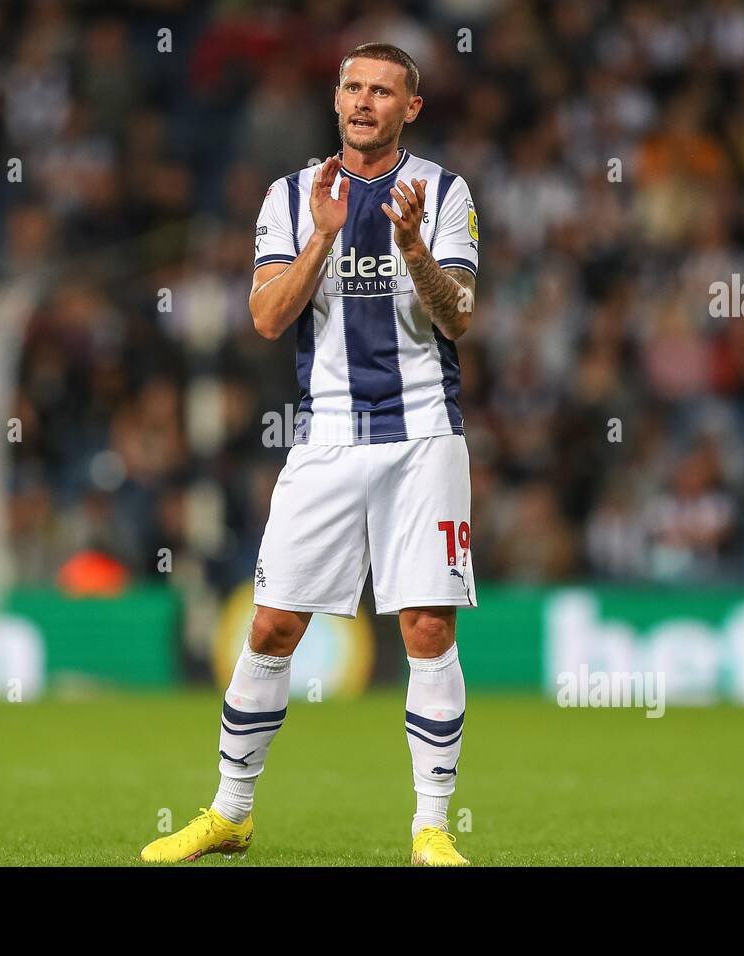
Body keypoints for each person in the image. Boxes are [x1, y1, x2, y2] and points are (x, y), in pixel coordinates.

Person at [140, 42, 479, 866]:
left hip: (423, 434)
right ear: (335, 98)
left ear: (411, 108)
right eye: (353, 87)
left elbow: (460, 315)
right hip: (324, 437)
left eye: (383, 91)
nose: (364, 102)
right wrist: (323, 239)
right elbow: (264, 317)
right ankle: (231, 812)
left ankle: (431, 828)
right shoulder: (291, 197)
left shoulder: (443, 192)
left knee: (426, 626)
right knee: (274, 623)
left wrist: (412, 250)